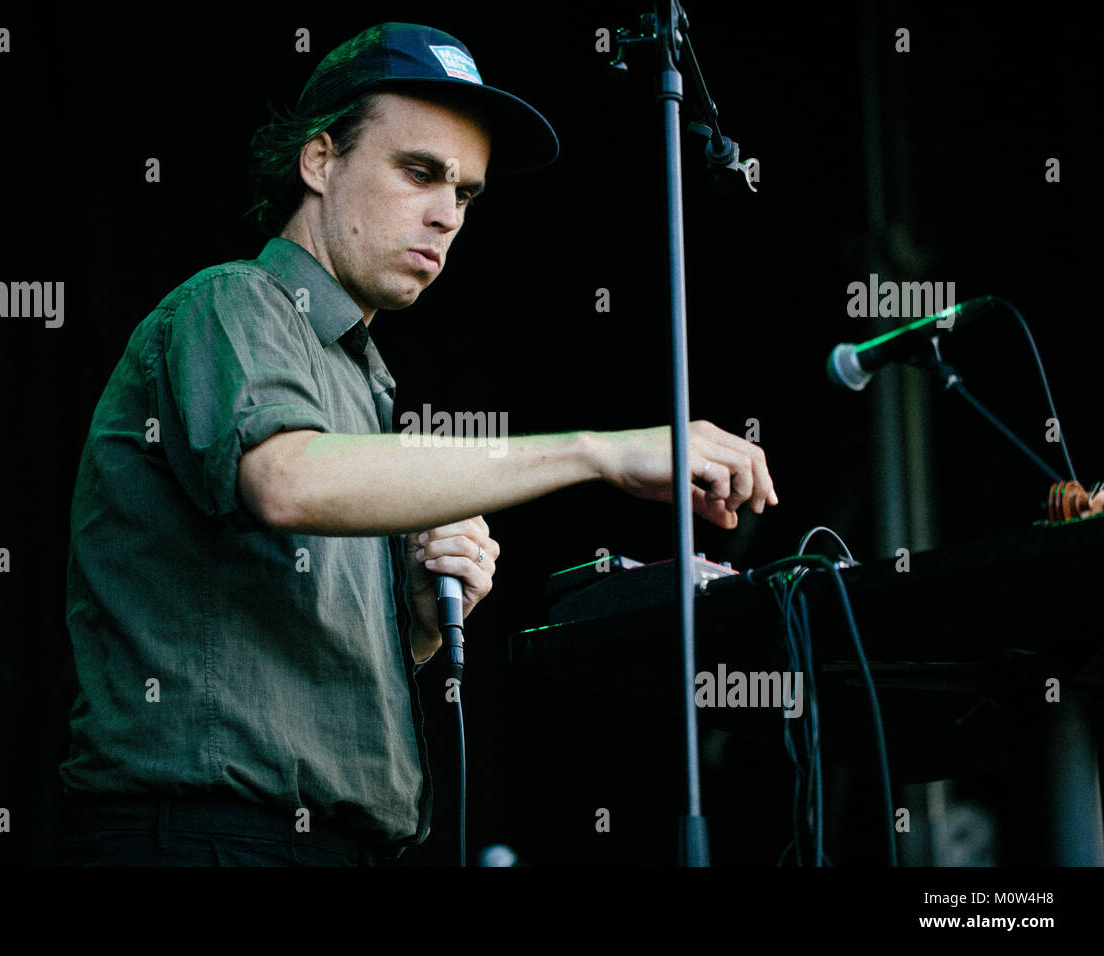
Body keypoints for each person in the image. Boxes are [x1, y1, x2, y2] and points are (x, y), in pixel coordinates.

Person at [59, 21, 778, 867]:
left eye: (467, 193)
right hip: (208, 836)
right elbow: (286, 481)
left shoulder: (364, 386)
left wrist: (419, 622)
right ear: (320, 161)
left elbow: (284, 652)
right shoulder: (233, 304)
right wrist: (598, 452)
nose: (445, 214)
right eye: (419, 172)